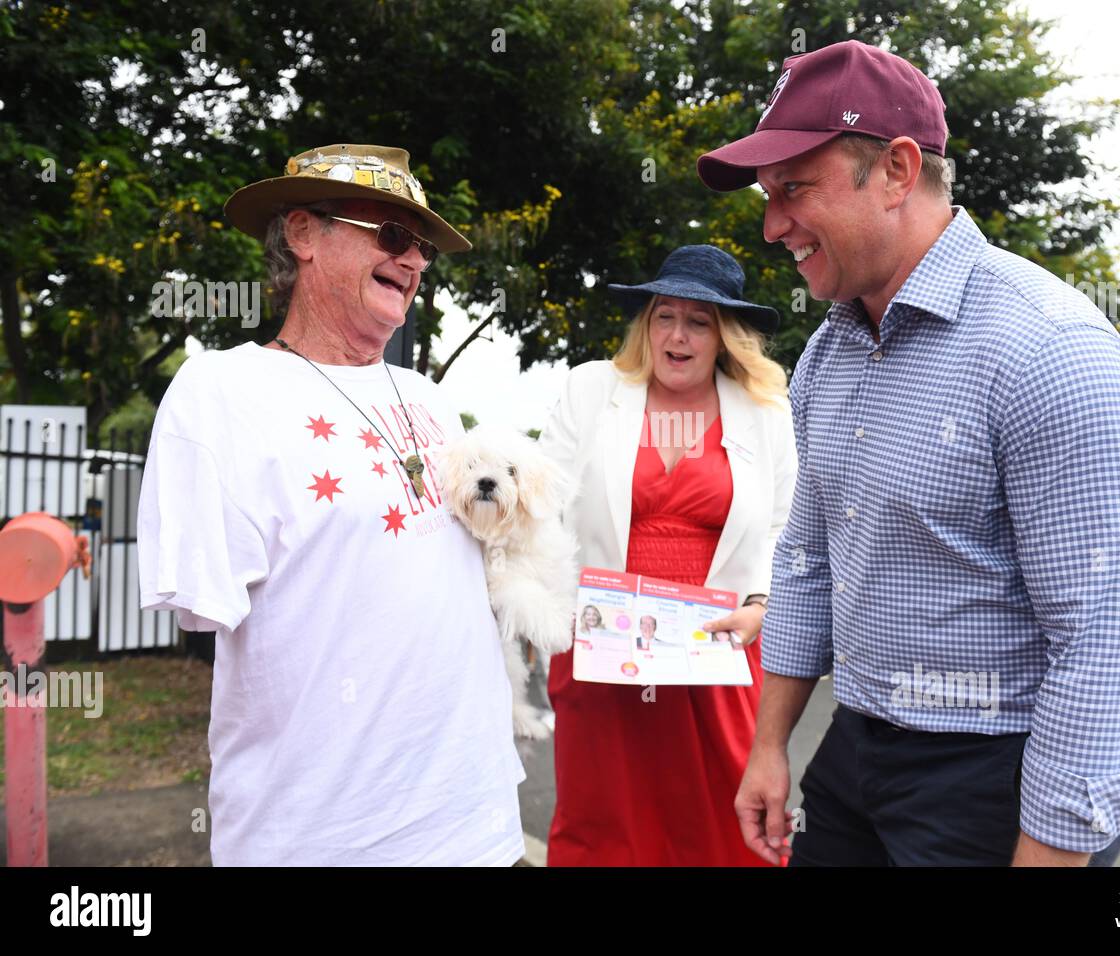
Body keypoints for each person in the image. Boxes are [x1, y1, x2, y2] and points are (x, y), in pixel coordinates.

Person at [697, 40, 1120, 866]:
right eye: (769, 197)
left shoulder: (1052, 352)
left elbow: (1104, 644)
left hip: (996, 776)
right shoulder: (831, 352)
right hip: (857, 749)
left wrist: (1051, 851)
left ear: (896, 169)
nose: (773, 226)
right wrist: (769, 744)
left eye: (794, 189)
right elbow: (809, 557)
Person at [137, 144, 525, 865]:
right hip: (321, 838)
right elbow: (203, 613)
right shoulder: (220, 392)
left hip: (476, 821)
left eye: (422, 249)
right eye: (393, 236)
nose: (413, 262)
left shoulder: (430, 400)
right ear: (304, 235)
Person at [540, 244, 797, 866]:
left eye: (699, 321)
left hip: (722, 648)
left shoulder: (766, 412)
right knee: (604, 828)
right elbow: (541, 508)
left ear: (726, 337)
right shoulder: (589, 389)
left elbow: (788, 532)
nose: (677, 336)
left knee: (724, 829)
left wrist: (764, 603)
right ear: (645, 324)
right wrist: (545, 609)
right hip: (602, 648)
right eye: (664, 316)